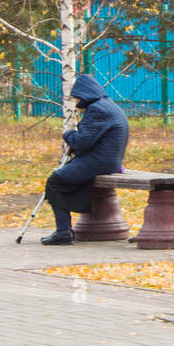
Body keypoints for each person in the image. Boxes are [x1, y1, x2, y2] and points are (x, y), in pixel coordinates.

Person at [40, 73, 130, 246]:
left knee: (55, 182)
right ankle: (64, 229)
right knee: (65, 179)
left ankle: (63, 231)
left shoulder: (97, 109)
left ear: (85, 94)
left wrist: (68, 134)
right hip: (109, 160)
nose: (76, 102)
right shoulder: (108, 106)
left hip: (99, 161)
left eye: (77, 98)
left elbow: (82, 141)